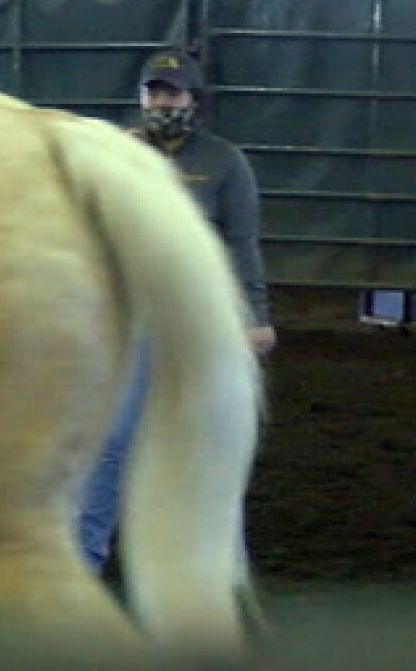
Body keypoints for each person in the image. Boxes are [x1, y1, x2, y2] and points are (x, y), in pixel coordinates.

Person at [78, 49, 277, 572]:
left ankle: (223, 569)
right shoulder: (114, 153)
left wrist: (255, 315)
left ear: (194, 100)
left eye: (173, 92)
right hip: (132, 318)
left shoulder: (224, 161)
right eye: (154, 92)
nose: (162, 102)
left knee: (207, 444)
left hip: (198, 319)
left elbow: (241, 243)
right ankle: (84, 561)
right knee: (111, 441)